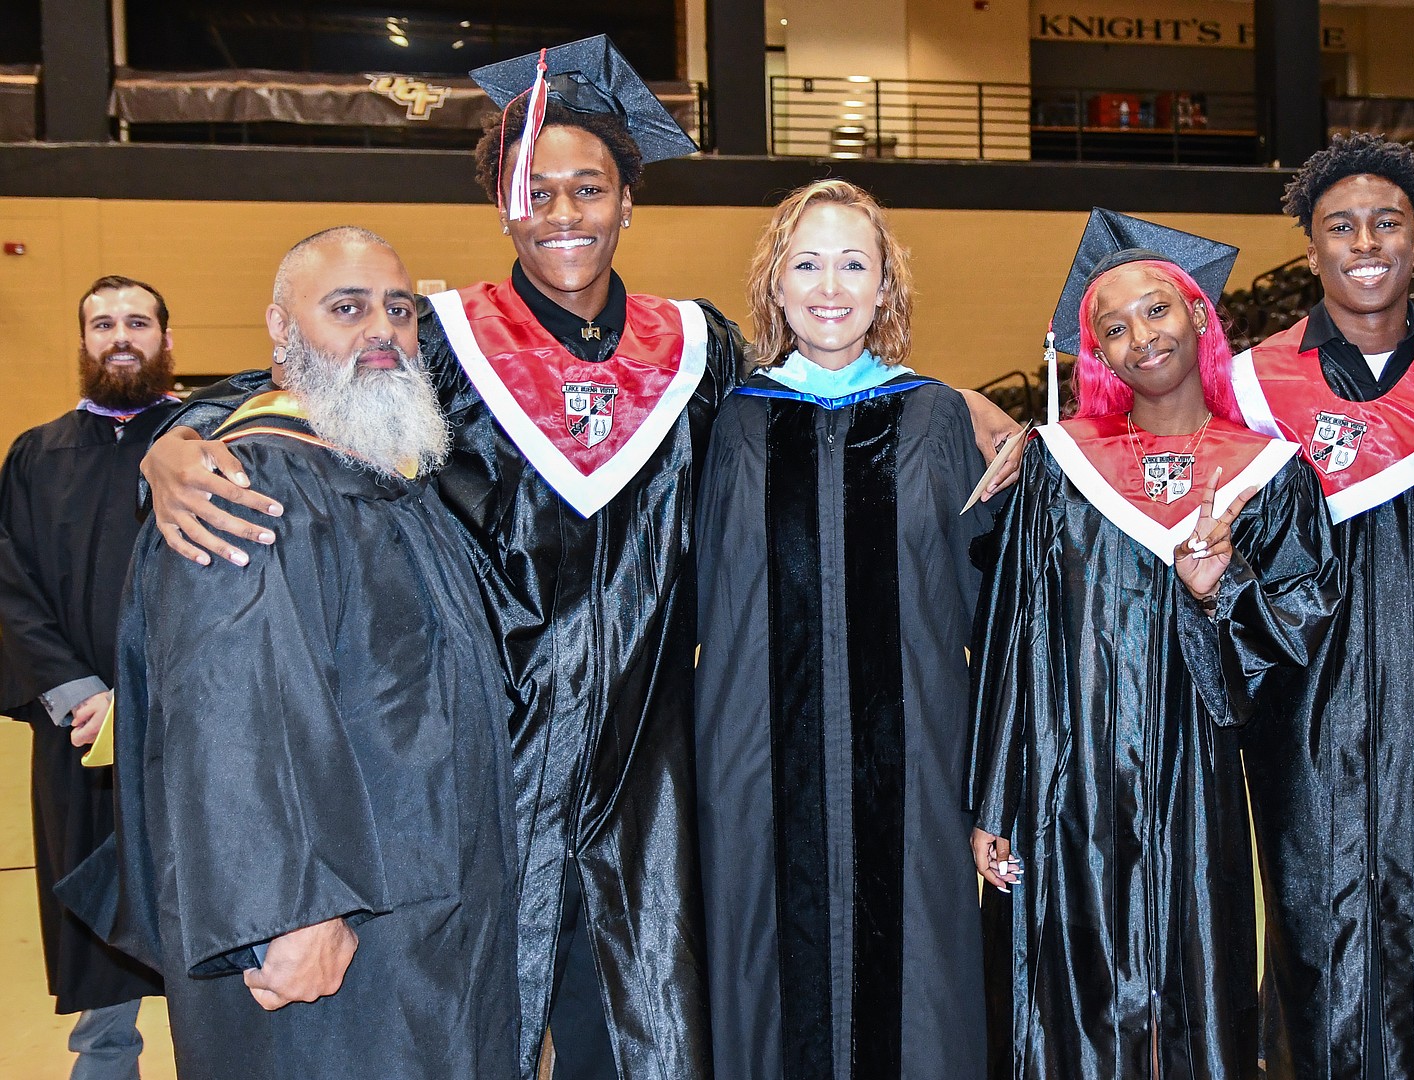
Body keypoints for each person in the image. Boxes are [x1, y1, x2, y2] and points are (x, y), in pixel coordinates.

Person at [133, 37, 1020, 1080]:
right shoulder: (444, 341)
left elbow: (830, 396)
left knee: (651, 1036)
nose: (563, 213)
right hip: (484, 760)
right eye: (536, 190)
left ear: (626, 202)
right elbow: (310, 383)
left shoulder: (695, 353)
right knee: (469, 1026)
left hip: (650, 767)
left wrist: (961, 404)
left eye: (588, 189)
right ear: (504, 207)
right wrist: (173, 440)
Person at [90, 226, 518, 1080]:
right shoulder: (243, 483)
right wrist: (284, 913)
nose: (382, 331)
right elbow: (228, 707)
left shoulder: (393, 478)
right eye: (347, 307)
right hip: (327, 926)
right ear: (280, 332)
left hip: (418, 904)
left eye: (399, 309)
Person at [969, 211, 1341, 1080]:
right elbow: (1012, 635)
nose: (1141, 337)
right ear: (1094, 353)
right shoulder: (1059, 468)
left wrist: (1221, 594)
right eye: (1114, 327)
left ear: (1200, 318)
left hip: (1201, 790)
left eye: (1157, 312)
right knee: (1071, 1001)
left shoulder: (1268, 476)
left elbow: (1302, 634)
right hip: (1067, 786)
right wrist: (994, 794)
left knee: (1194, 986)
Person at [694, 178, 995, 1080]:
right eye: (809, 263)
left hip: (914, 772)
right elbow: (693, 589)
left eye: (854, 264)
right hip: (755, 770)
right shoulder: (734, 423)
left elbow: (987, 601)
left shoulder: (937, 418)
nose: (831, 286)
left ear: (884, 289)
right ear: (776, 285)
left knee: (917, 993)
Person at [1226, 133, 1414, 1080]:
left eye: (1388, 221)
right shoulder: (1253, 386)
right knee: (1314, 927)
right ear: (1311, 251)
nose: (1366, 241)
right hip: (1302, 715)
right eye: (1339, 226)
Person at [0, 276, 173, 1080]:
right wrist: (80, 694)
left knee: (210, 892)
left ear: (165, 338)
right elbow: (10, 588)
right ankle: (106, 1064)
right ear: (83, 342)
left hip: (193, 724)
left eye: (137, 321)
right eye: (102, 323)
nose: (120, 336)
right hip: (81, 728)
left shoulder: (207, 441)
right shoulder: (37, 455)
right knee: (92, 895)